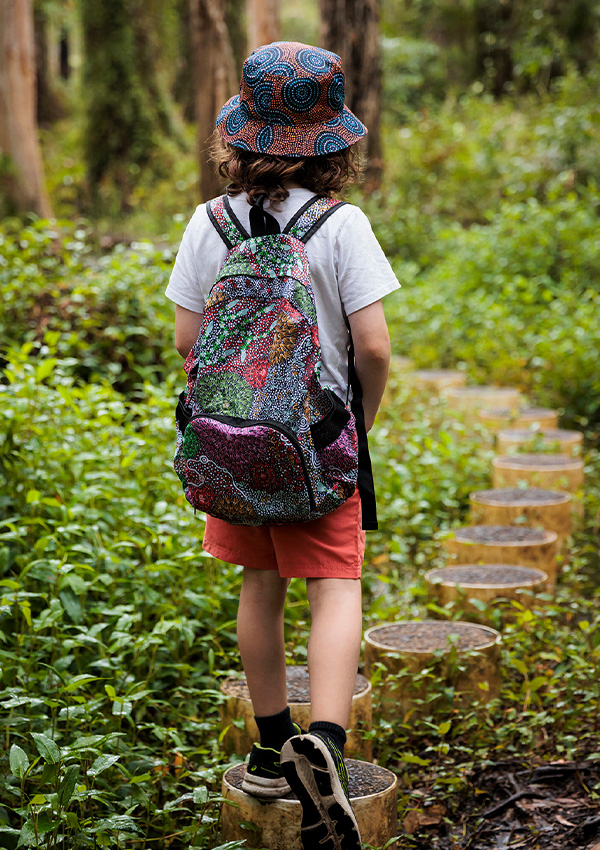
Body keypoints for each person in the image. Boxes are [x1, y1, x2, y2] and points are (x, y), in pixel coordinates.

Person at [166, 41, 399, 850]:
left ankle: (269, 748)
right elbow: (372, 345)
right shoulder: (343, 225)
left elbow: (188, 341)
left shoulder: (210, 222)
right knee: (334, 587)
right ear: (337, 143)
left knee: (257, 588)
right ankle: (325, 744)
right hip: (318, 450)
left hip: (232, 450)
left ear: (238, 135)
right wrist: (359, 419)